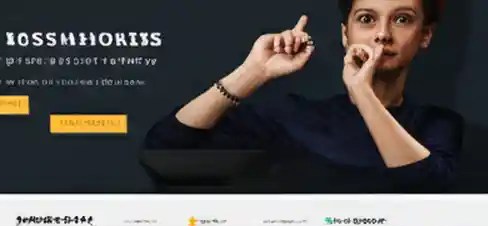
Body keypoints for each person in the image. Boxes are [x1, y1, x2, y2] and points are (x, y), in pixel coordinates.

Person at [142, 0, 463, 192]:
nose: (382, 33)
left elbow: (427, 189)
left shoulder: (436, 125)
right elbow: (164, 148)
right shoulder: (292, 116)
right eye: (366, 18)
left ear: (425, 36)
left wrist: (361, 91)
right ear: (344, 33)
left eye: (402, 19)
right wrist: (253, 72)